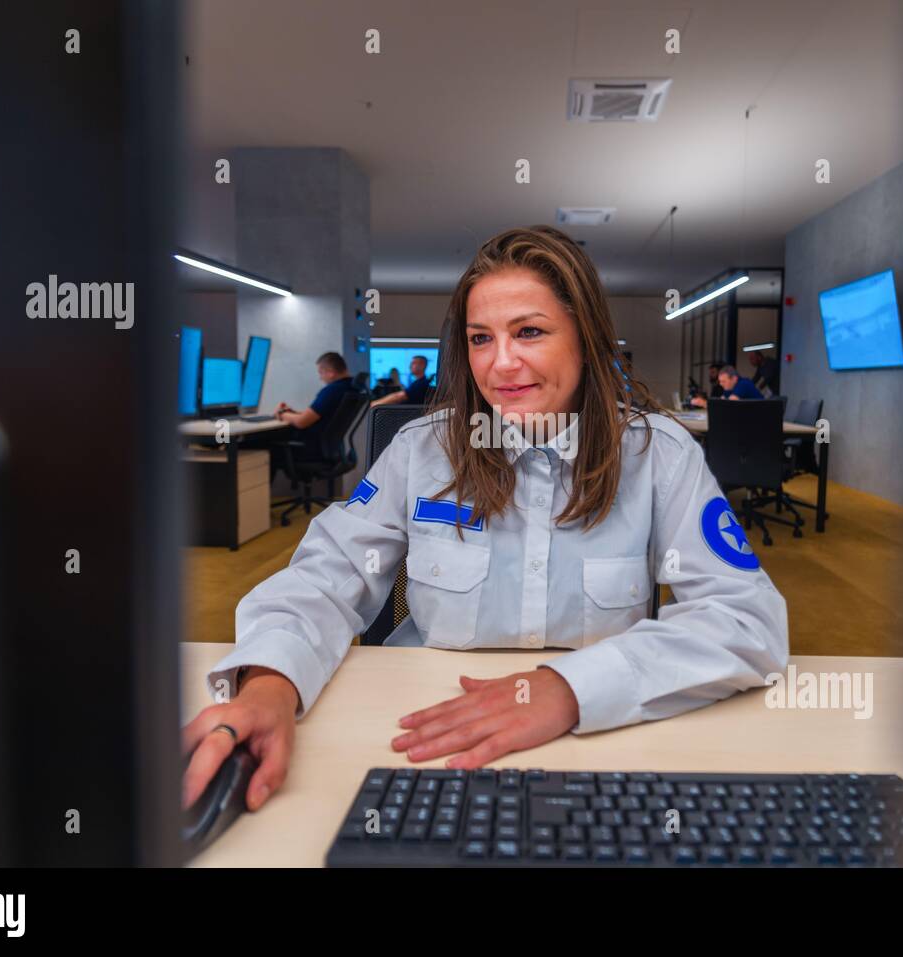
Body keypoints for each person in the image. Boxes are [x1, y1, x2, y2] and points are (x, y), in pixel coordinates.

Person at [181, 225, 788, 814]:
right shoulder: (423, 451)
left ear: (588, 339)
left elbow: (745, 617)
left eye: (529, 331)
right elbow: (322, 578)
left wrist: (569, 687)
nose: (500, 364)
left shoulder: (658, 454)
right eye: (479, 338)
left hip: (602, 734)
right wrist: (269, 684)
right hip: (420, 733)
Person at [272, 352, 356, 458]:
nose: (320, 378)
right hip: (330, 449)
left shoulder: (332, 390)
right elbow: (324, 414)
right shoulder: (351, 387)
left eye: (321, 373)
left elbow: (301, 422)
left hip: (309, 449)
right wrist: (294, 413)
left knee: (261, 443)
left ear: (330, 373)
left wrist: (282, 413)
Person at [690, 364, 762, 406]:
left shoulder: (744, 384)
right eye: (720, 381)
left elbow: (728, 406)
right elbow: (721, 402)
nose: (721, 384)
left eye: (723, 381)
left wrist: (703, 403)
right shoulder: (729, 389)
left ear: (734, 378)